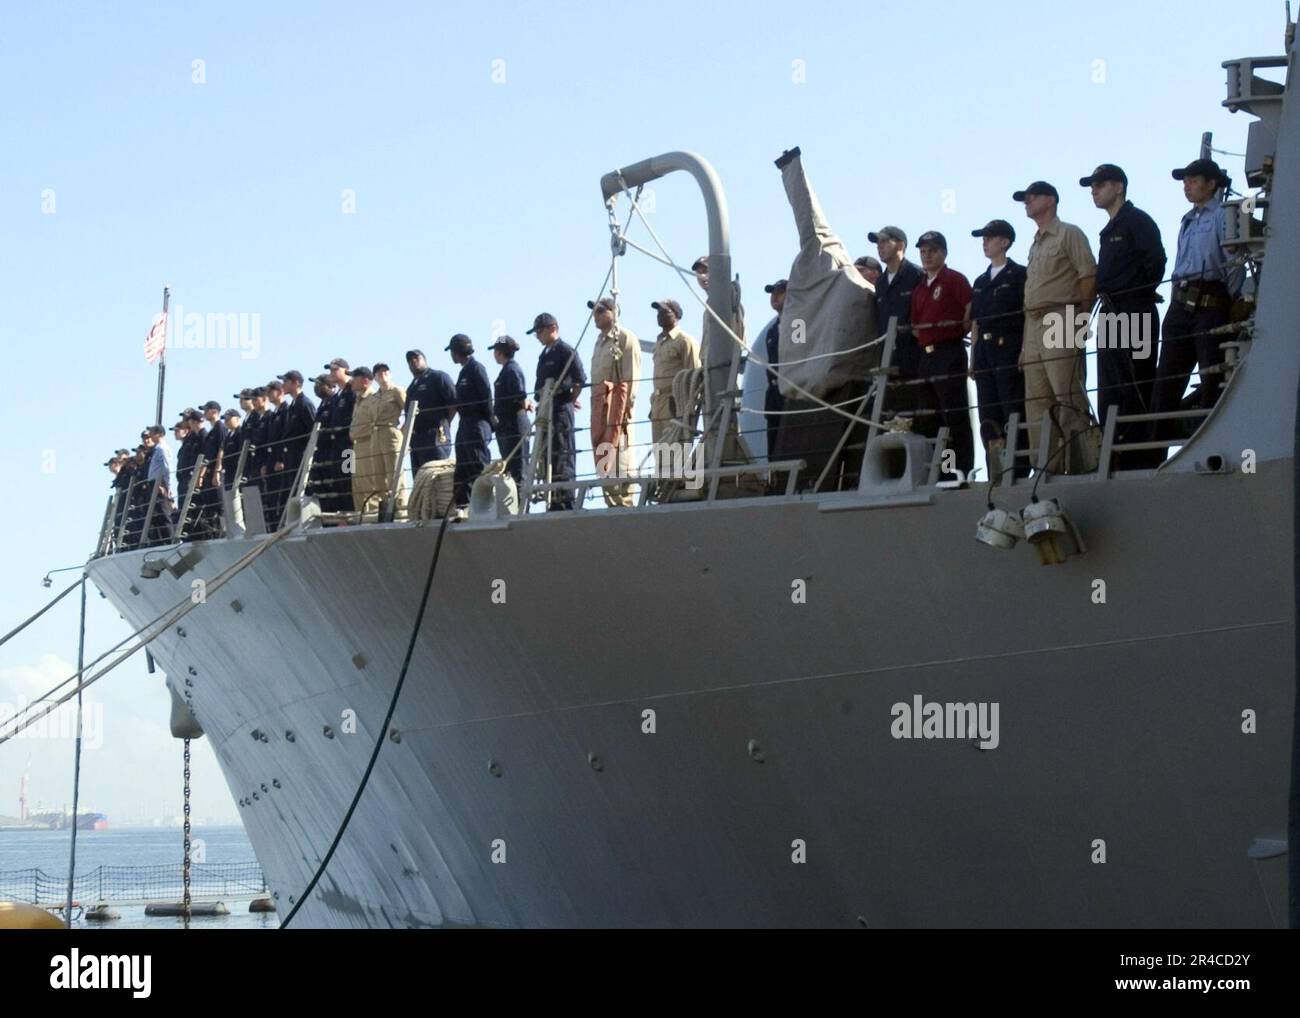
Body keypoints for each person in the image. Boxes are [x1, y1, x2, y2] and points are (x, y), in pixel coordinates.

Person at [1149, 158, 1244, 450]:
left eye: (1193, 180)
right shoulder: (1188, 220)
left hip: (1210, 300)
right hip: (1181, 302)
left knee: (1211, 375)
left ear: (1211, 183)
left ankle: (1211, 444)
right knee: (1167, 378)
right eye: (1185, 182)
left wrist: (1232, 301)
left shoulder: (1223, 216)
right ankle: (1153, 449)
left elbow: (1234, 264)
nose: (1187, 187)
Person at [1081, 164, 1167, 467]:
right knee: (1111, 385)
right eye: (1092, 185)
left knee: (1135, 382)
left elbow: (1156, 260)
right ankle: (1115, 450)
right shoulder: (1112, 228)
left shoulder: (1136, 221)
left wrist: (1137, 293)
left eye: (1100, 184)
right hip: (1111, 312)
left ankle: (1136, 454)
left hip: (1133, 310)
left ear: (1119, 187)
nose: (1094, 190)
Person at [1015, 179, 1098, 473]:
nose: (1027, 202)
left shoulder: (1069, 234)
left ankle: (1081, 465)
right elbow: (1030, 298)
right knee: (1037, 403)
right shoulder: (1035, 244)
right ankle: (1046, 470)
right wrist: (1026, 346)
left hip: (1061, 318)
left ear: (1050, 200)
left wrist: (1081, 319)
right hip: (1035, 323)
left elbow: (1087, 275)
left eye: (1032, 196)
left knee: (1068, 396)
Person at [908, 231, 974, 477]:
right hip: (927, 355)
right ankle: (942, 472)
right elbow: (915, 325)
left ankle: (960, 472)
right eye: (923, 251)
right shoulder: (919, 289)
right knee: (931, 419)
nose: (927, 256)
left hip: (949, 350)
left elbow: (969, 307)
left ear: (943, 253)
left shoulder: (954, 279)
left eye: (932, 251)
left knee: (954, 416)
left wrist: (957, 328)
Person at [969, 219, 1028, 479]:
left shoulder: (1019, 275)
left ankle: (1019, 468)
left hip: (1008, 346)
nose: (985, 242)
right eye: (984, 238)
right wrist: (973, 357)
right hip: (984, 349)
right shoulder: (981, 280)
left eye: (990, 237)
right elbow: (975, 322)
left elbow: (1027, 314)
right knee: (988, 414)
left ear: (1005, 241)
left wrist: (1025, 349)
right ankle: (996, 468)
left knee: (1011, 409)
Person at [529, 312, 587, 510]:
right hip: (546, 412)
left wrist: (570, 400)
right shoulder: (544, 355)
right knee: (547, 455)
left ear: (552, 328)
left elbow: (580, 379)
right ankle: (552, 497)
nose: (537, 336)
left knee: (563, 453)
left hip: (560, 409)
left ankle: (565, 499)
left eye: (540, 331)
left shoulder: (565, 351)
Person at [588, 298, 641, 507]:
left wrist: (625, 410)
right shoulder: (599, 343)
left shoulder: (625, 338)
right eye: (595, 311)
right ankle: (611, 505)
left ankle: (624, 505)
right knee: (603, 462)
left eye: (601, 311)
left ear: (614, 312)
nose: (596, 314)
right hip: (599, 409)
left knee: (621, 460)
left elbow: (632, 377)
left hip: (617, 411)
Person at [869, 225, 924, 415]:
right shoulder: (880, 283)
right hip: (887, 357)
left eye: (885, 241)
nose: (879, 246)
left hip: (913, 355)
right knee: (890, 412)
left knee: (913, 410)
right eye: (878, 242)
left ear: (900, 244)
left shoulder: (917, 275)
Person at [446, 336, 493, 507]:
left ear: (456, 352)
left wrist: (490, 420)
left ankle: (485, 504)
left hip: (477, 422)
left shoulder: (476, 368)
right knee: (462, 468)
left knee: (478, 464)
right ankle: (463, 505)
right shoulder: (464, 371)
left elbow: (486, 395)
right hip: (465, 423)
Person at [649, 299, 700, 448]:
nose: (660, 315)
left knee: (675, 449)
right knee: (659, 452)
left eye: (665, 312)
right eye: (659, 312)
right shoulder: (659, 342)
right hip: (658, 402)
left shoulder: (685, 341)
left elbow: (694, 376)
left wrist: (685, 408)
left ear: (676, 315)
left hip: (675, 401)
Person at [405, 349, 458, 468]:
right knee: (421, 478)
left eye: (416, 358)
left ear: (424, 360)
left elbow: (453, 403)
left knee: (437, 471)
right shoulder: (411, 388)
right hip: (417, 438)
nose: (413, 361)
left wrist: (445, 423)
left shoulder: (438, 377)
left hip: (436, 434)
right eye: (410, 361)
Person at [491, 337, 531, 486]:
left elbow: (520, 395)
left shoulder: (512, 370)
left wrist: (525, 404)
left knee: (518, 470)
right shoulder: (507, 370)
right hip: (507, 426)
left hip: (514, 425)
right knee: (510, 469)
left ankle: (520, 506)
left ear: (499, 352)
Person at [320, 358, 356, 512]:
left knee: (349, 482)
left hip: (348, 445)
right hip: (336, 445)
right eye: (330, 370)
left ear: (345, 370)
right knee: (339, 482)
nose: (331, 373)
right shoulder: (337, 396)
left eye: (335, 370)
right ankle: (344, 518)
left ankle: (352, 516)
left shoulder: (351, 391)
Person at [347, 366, 383, 517]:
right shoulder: (358, 399)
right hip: (357, 447)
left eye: (354, 378)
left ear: (365, 381)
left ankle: (371, 518)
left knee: (370, 486)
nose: (351, 381)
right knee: (358, 487)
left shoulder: (374, 397)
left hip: (369, 445)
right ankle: (361, 518)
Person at [761, 280, 787, 457]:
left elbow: (799, 353)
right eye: (772, 293)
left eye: (779, 292)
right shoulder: (771, 331)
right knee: (773, 442)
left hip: (790, 390)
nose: (774, 296)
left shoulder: (798, 323)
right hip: (774, 392)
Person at [195, 400, 228, 537]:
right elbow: (206, 456)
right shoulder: (212, 431)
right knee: (210, 505)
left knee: (219, 504)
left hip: (215, 472)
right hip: (208, 473)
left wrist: (217, 472)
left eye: (206, 410)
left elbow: (222, 449)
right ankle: (214, 532)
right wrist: (201, 475)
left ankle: (223, 531)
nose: (204, 413)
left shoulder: (220, 427)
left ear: (214, 411)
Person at [260, 379, 287, 523]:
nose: (269, 395)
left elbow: (285, 436)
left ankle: (280, 524)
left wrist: (282, 459)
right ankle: (274, 524)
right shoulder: (274, 414)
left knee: (280, 497)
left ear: (280, 391)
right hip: (271, 461)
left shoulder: (285, 410)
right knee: (271, 497)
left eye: (271, 391)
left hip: (280, 461)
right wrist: (266, 463)